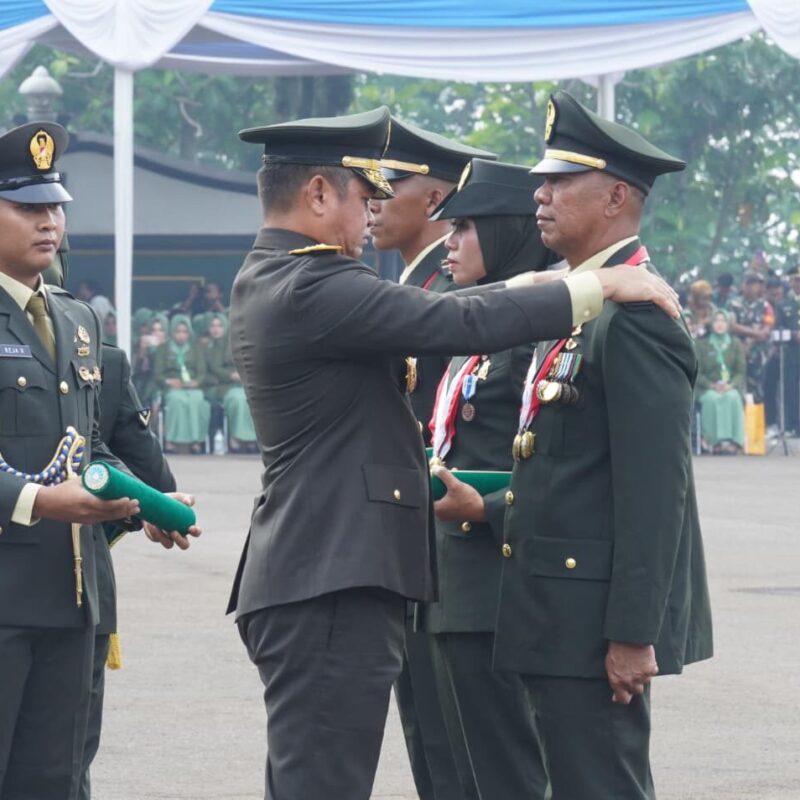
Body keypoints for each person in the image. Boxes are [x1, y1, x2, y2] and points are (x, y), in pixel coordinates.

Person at [227, 105, 679, 800]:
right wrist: (597, 284)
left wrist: (541, 283)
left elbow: (455, 309)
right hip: (330, 580)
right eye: (364, 195)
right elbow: (452, 318)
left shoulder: (279, 276)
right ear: (318, 193)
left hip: (320, 570)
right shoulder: (313, 284)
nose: (371, 214)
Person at [434, 91, 712, 799]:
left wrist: (634, 633)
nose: (541, 193)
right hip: (552, 610)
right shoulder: (584, 301)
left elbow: (655, 492)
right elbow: (561, 470)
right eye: (542, 180)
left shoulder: (636, 316)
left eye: (560, 181)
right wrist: (493, 506)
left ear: (616, 196)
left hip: (591, 624)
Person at [0, 122, 194, 800]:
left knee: (55, 781)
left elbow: (89, 443)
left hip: (71, 596)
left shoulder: (77, 319)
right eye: (27, 207)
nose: (49, 222)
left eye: (55, 207)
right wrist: (38, 501)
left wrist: (146, 501)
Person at [424, 158, 561, 799]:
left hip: (501, 585)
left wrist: (490, 506)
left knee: (510, 775)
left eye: (463, 228)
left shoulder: (537, 332)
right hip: (452, 585)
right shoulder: (476, 326)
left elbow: (559, 464)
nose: (447, 243)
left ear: (507, 231)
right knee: (466, 775)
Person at [370, 117, 496, 800]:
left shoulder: (452, 300)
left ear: (437, 199)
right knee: (429, 739)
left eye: (389, 185)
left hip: (447, 541)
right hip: (408, 543)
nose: (373, 199)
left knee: (456, 751)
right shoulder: (410, 295)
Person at [153, 314, 210, 454]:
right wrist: (169, 381)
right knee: (177, 400)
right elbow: (157, 374)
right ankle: (172, 441)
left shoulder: (196, 348)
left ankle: (195, 442)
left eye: (184, 332)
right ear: (172, 332)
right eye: (178, 331)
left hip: (192, 387)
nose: (181, 335)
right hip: (172, 387)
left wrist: (196, 382)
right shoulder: (163, 348)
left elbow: (202, 372)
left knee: (197, 399)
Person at [203, 312, 257, 453]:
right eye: (213, 326)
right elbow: (214, 367)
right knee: (238, 399)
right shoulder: (208, 346)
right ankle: (237, 439)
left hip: (242, 384)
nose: (216, 329)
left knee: (252, 398)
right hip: (221, 387)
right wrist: (230, 375)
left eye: (220, 326)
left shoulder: (236, 342)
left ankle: (252, 440)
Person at [696, 310, 747, 453]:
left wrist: (731, 385)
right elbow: (696, 372)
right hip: (707, 388)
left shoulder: (735, 344)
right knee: (712, 399)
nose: (720, 324)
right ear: (712, 323)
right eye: (716, 320)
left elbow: (740, 371)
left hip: (729, 386)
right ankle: (714, 441)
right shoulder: (701, 345)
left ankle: (734, 442)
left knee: (733, 397)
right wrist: (711, 385)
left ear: (728, 324)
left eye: (723, 320)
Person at [730, 270, 774, 402]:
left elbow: (767, 330)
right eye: (748, 283)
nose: (750, 287)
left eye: (754, 283)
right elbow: (731, 326)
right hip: (737, 352)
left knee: (756, 391)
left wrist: (750, 340)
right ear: (742, 284)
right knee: (736, 389)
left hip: (758, 355)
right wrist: (756, 333)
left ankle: (755, 415)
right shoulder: (733, 304)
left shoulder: (766, 306)